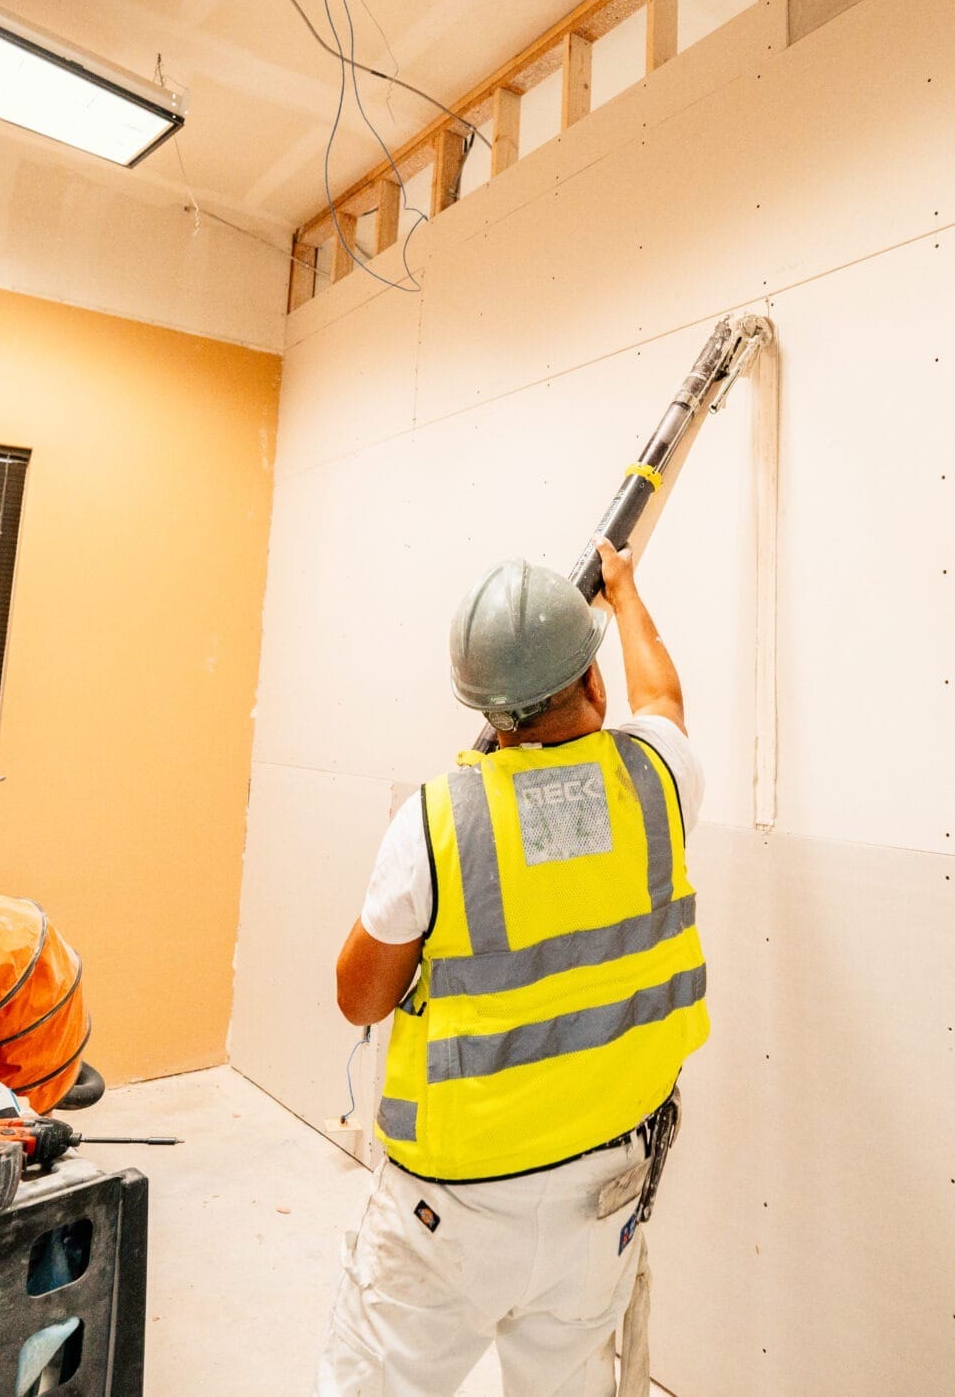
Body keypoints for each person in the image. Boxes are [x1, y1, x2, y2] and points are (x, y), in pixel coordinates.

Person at [316, 541, 706, 1397]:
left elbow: (359, 998)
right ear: (594, 680)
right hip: (600, 1197)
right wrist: (624, 591)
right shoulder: (659, 780)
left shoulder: (438, 821)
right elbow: (664, 701)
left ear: (486, 710)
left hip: (450, 1213)